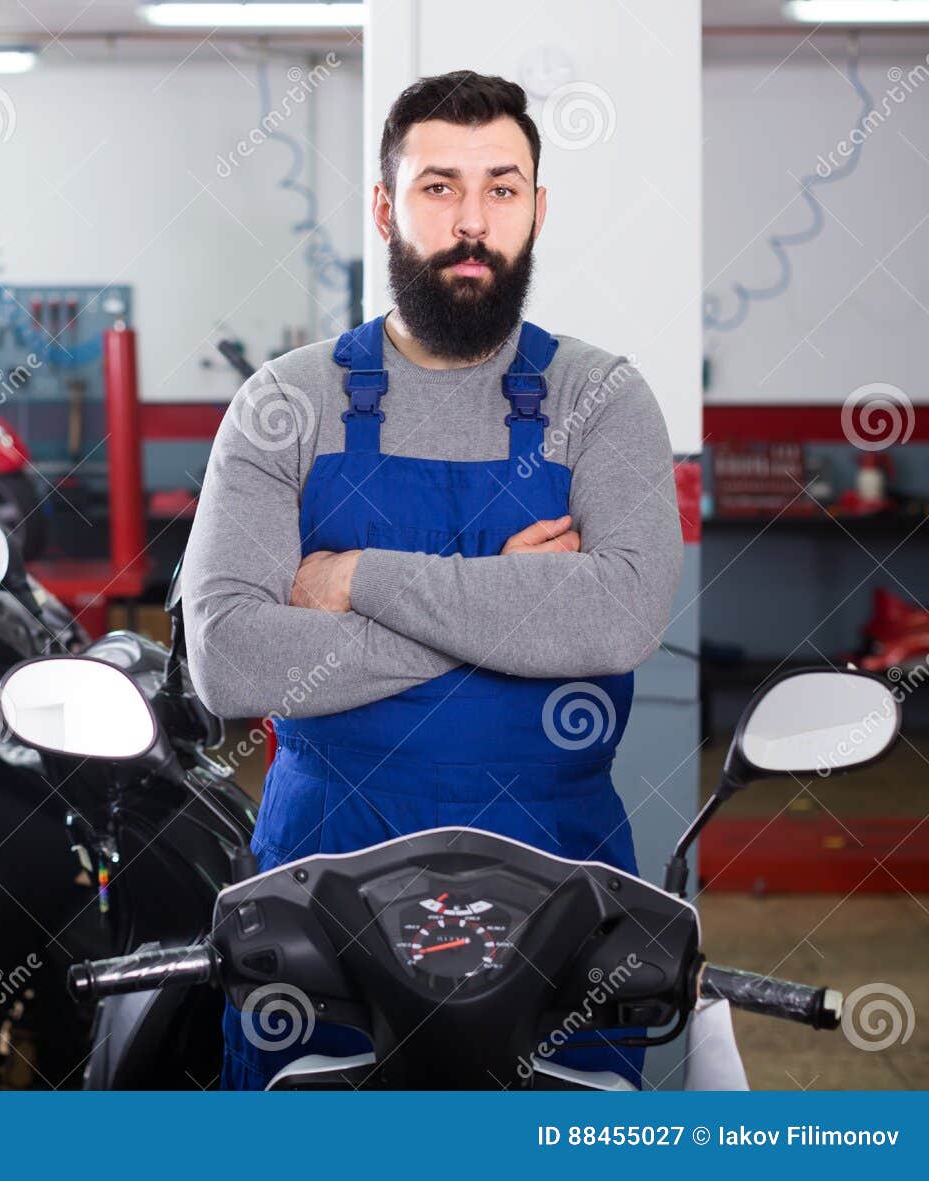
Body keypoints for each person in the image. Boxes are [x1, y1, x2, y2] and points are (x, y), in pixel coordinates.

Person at [182, 70, 684, 1090]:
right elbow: (229, 660)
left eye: (501, 189)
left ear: (537, 209)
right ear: (383, 206)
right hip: (324, 866)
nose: (470, 222)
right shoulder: (286, 402)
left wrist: (357, 574)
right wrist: (507, 600)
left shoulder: (603, 398)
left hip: (557, 874)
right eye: (437, 188)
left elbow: (621, 614)